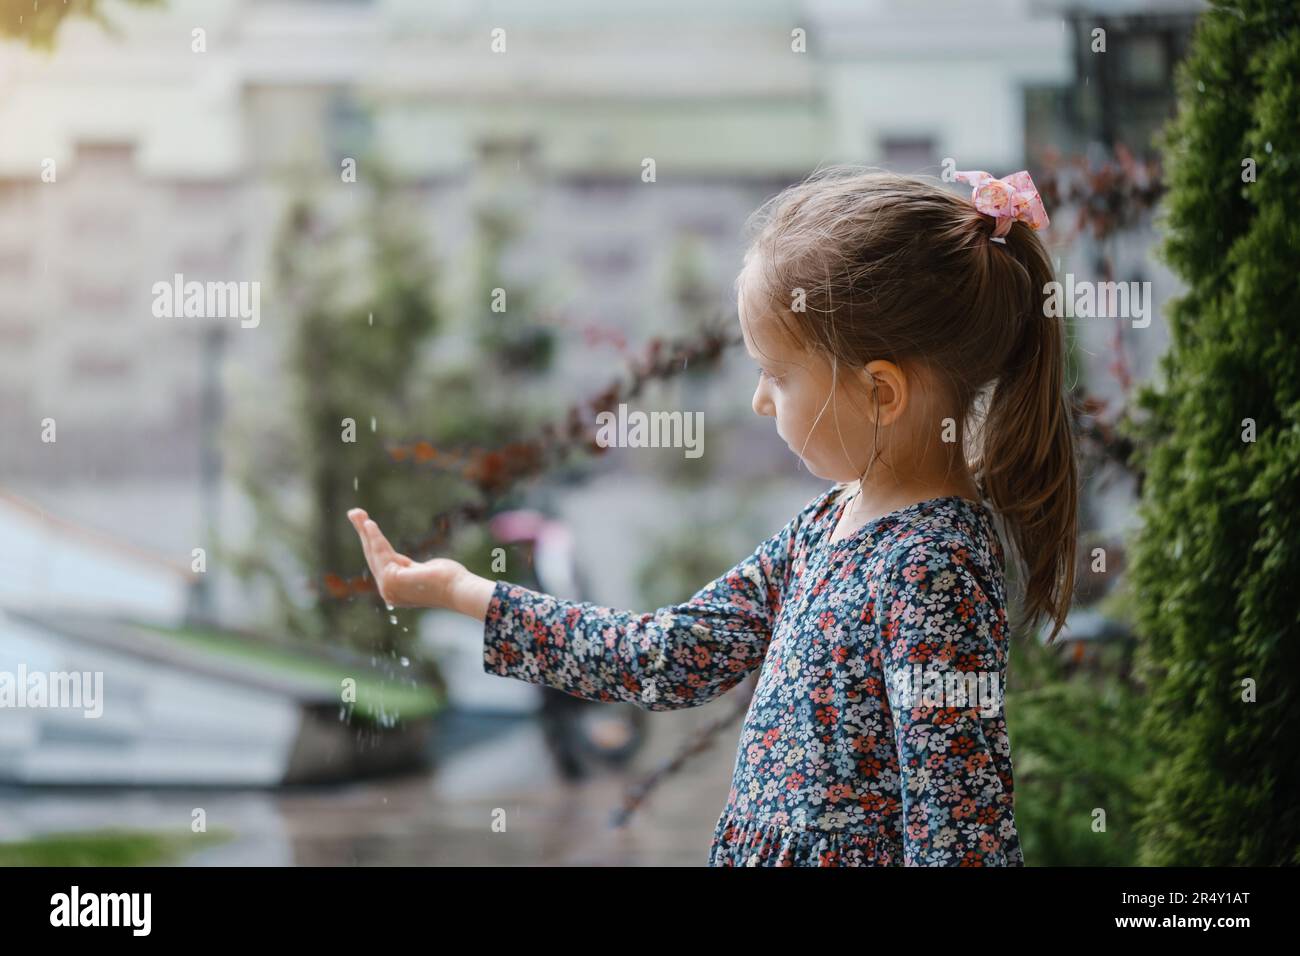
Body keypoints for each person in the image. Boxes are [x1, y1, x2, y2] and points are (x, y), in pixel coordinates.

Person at [347, 166, 1079, 866]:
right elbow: (664, 657)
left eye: (777, 376)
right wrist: (463, 593)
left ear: (881, 392)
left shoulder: (934, 568)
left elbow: (959, 827)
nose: (761, 402)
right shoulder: (823, 528)